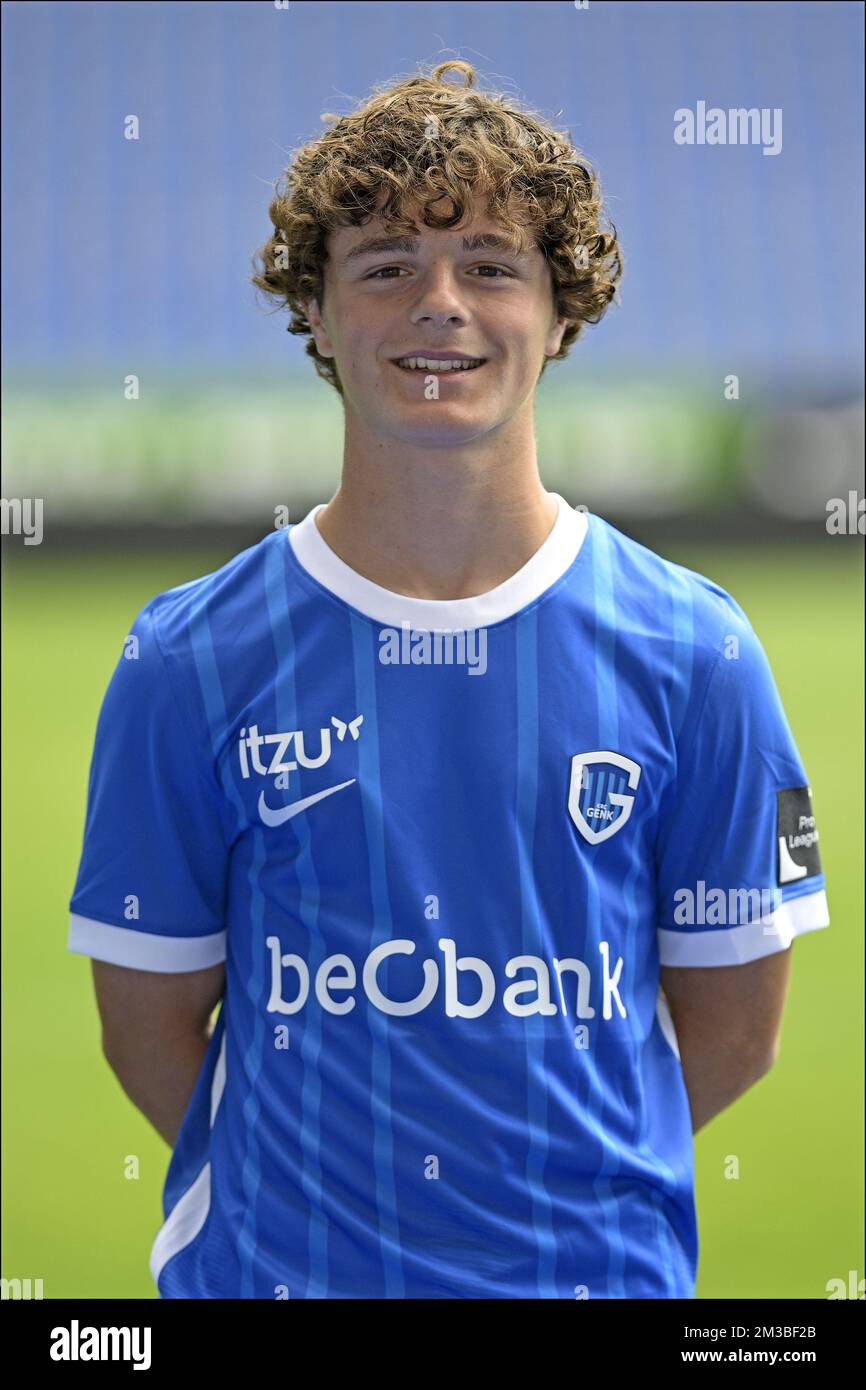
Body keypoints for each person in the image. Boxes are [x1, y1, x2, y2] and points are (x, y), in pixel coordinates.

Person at [68, 60, 829, 1299]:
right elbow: (146, 1030)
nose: (439, 306)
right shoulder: (184, 659)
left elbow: (734, 1035)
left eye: (489, 263)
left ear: (558, 307)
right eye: (382, 268)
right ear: (313, 310)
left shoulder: (701, 652)